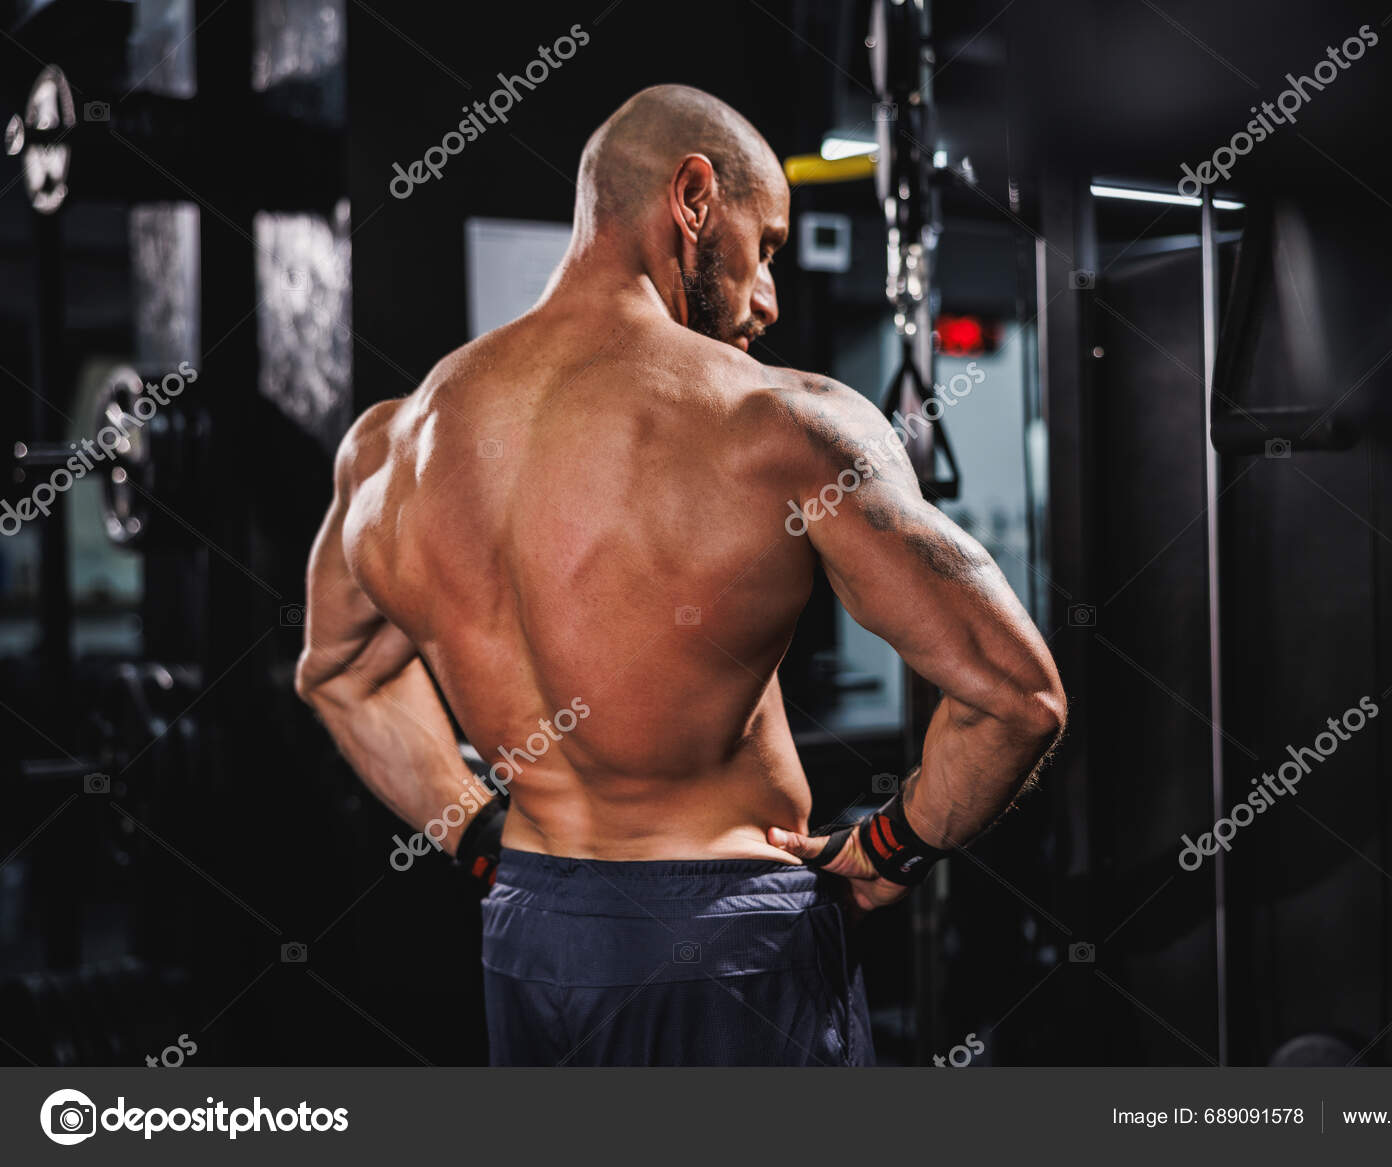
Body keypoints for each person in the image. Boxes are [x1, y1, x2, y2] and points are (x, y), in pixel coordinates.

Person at [295, 84, 1065, 1065]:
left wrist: (475, 831)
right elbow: (1018, 695)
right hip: (730, 947)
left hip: (529, 936)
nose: (771, 297)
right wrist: (886, 853)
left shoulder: (391, 445)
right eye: (769, 246)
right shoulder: (781, 424)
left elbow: (339, 675)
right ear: (694, 198)